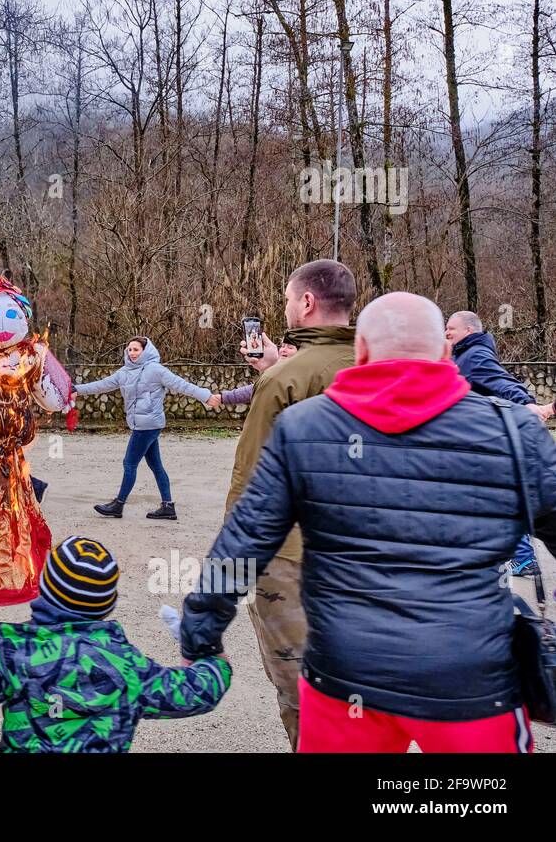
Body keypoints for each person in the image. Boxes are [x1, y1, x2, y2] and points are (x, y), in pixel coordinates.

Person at [181, 292, 556, 753]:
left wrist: (200, 635)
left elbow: (242, 544)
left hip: (344, 679)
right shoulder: (513, 432)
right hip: (472, 683)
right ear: (444, 353)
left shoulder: (303, 428)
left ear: (360, 354)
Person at [0, 536, 231, 751]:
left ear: (45, 591)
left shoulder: (15, 655)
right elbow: (197, 692)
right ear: (107, 605)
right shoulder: (127, 667)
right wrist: (206, 651)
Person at [221, 259, 357, 750]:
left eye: (285, 299)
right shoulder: (377, 366)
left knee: (302, 683)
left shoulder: (284, 381)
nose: (284, 308)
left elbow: (253, 478)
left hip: (291, 554)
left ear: (305, 302)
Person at [446, 310, 556, 578]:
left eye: (451, 328)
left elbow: (501, 382)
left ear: (469, 331)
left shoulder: (473, 356)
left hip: (487, 442)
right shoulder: (464, 354)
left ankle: (522, 559)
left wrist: (528, 405)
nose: (446, 332)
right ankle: (519, 558)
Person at [73, 336, 219, 520]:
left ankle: (118, 505)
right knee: (156, 465)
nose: (132, 353)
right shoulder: (124, 372)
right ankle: (168, 506)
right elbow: (101, 385)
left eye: (136, 349)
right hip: (141, 424)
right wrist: (76, 389)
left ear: (145, 351)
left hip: (148, 425)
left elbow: (181, 385)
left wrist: (205, 396)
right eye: (130, 350)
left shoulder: (155, 370)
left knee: (129, 463)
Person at [216, 339, 296, 409]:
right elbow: (256, 389)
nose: (283, 350)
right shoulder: (278, 374)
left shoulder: (304, 379)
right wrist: (222, 398)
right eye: (282, 346)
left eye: (290, 347)